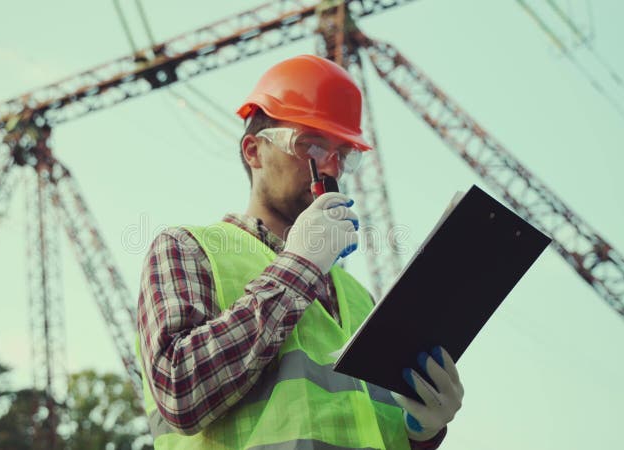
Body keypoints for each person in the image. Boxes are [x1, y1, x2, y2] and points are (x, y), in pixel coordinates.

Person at [136, 54, 465, 450]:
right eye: (310, 144)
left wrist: (421, 434)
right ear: (253, 151)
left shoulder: (361, 300)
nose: (330, 168)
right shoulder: (187, 249)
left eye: (343, 153)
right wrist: (301, 266)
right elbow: (179, 389)